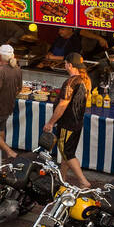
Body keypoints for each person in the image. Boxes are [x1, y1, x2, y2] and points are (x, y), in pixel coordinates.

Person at [44, 53, 92, 189]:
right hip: (77, 123)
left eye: (65, 63)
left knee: (67, 153)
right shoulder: (86, 79)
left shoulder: (71, 82)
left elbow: (63, 105)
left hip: (67, 124)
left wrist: (51, 122)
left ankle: (83, 181)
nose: (65, 65)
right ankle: (62, 179)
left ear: (70, 65)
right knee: (66, 152)